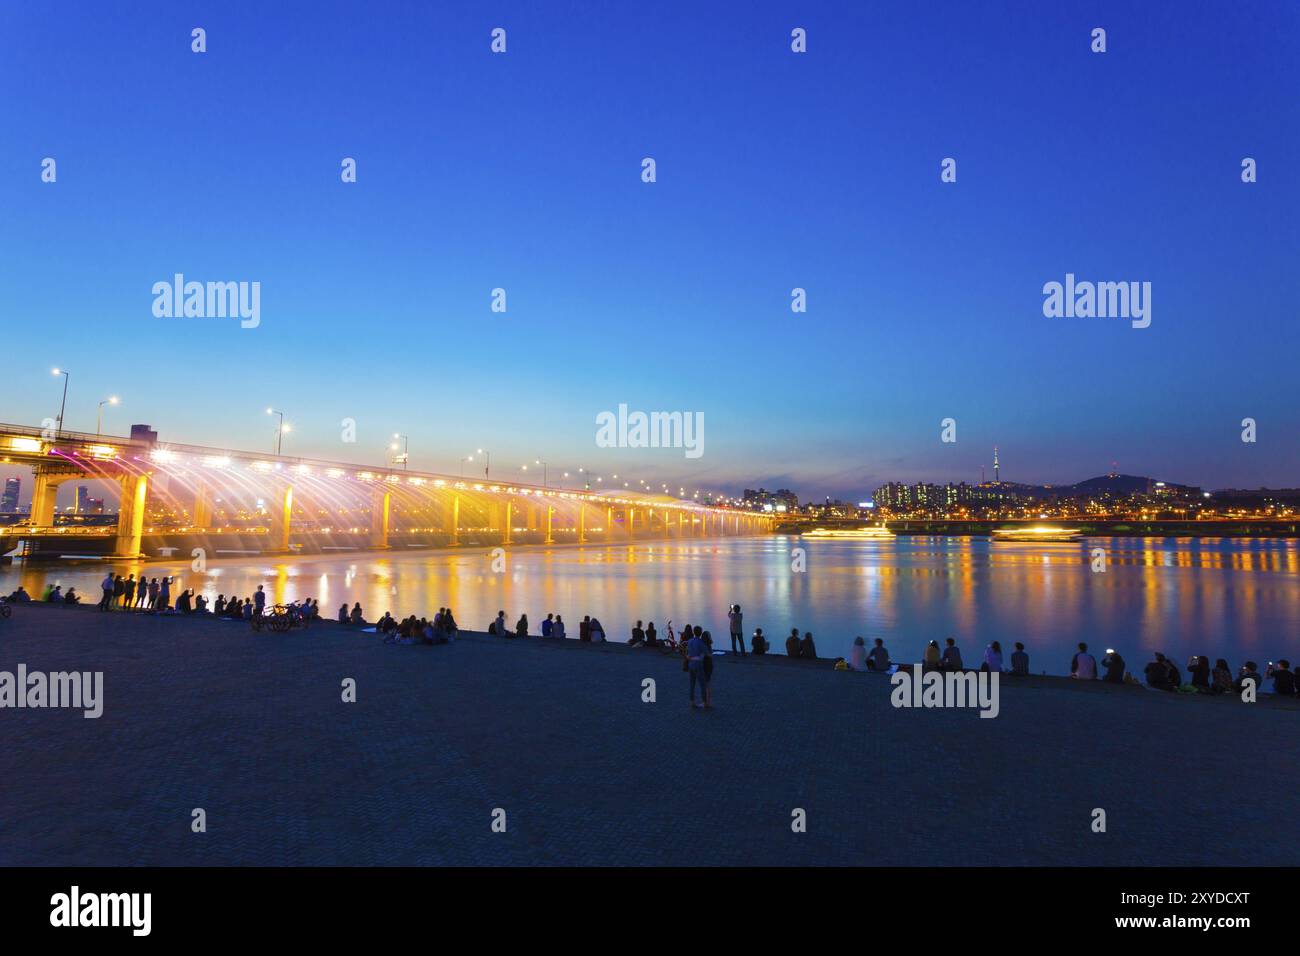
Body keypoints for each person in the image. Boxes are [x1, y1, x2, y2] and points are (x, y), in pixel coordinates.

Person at [686, 628, 707, 709]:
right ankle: (704, 702)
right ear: (700, 633)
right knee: (702, 685)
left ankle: (692, 702)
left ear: (694, 633)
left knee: (692, 684)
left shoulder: (690, 641)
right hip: (698, 666)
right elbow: (706, 652)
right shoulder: (701, 642)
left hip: (691, 665)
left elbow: (688, 653)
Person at [700, 630, 714, 704]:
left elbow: (702, 656)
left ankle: (705, 702)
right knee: (708, 683)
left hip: (704, 666)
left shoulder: (702, 646)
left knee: (704, 684)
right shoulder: (709, 645)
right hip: (710, 665)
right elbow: (710, 655)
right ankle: (708, 701)